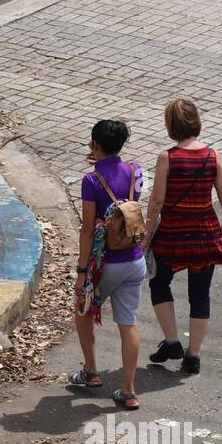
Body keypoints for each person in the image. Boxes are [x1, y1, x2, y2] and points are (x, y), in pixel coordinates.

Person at [145, 98, 222, 376]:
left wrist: (146, 235)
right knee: (200, 294)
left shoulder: (167, 157)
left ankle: (172, 342)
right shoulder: (213, 155)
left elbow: (157, 201)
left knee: (160, 283)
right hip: (205, 233)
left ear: (171, 126)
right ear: (196, 122)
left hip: (172, 234)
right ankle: (193, 356)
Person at [68, 119, 146, 409]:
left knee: (83, 310)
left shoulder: (90, 181)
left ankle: (91, 372)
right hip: (135, 260)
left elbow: (87, 230)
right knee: (128, 324)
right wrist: (105, 158)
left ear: (94, 144)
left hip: (105, 264)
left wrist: (81, 271)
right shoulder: (135, 171)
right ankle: (128, 390)